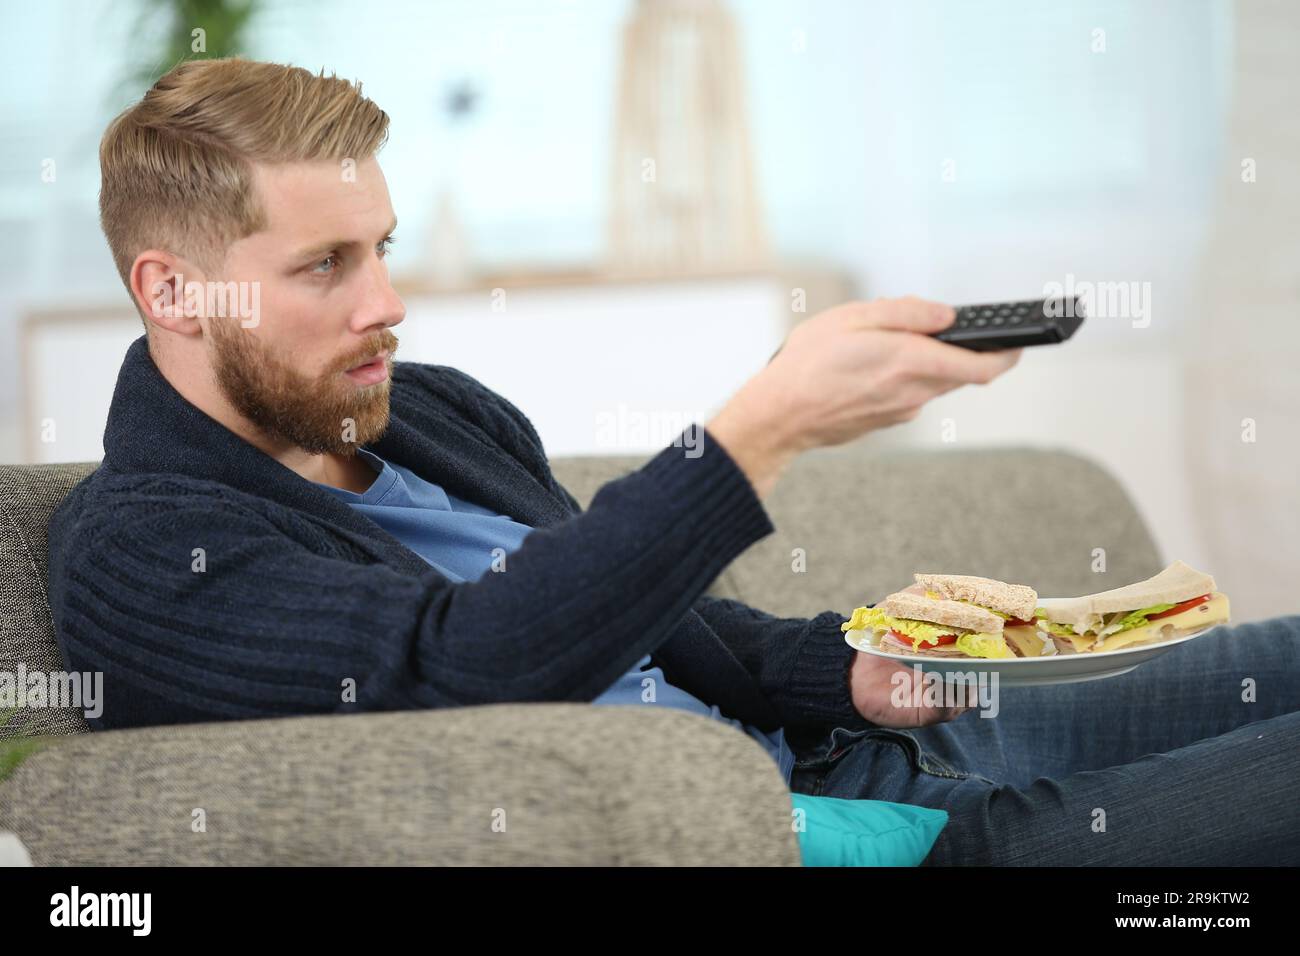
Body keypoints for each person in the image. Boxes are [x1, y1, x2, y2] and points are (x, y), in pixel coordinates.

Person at [49, 58, 1299, 866]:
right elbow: (464, 658)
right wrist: (763, 426)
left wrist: (845, 672)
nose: (387, 300)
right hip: (833, 837)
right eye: (325, 264)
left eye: (380, 245)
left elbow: (653, 620)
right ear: (174, 289)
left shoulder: (427, 412)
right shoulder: (144, 547)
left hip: (873, 743)